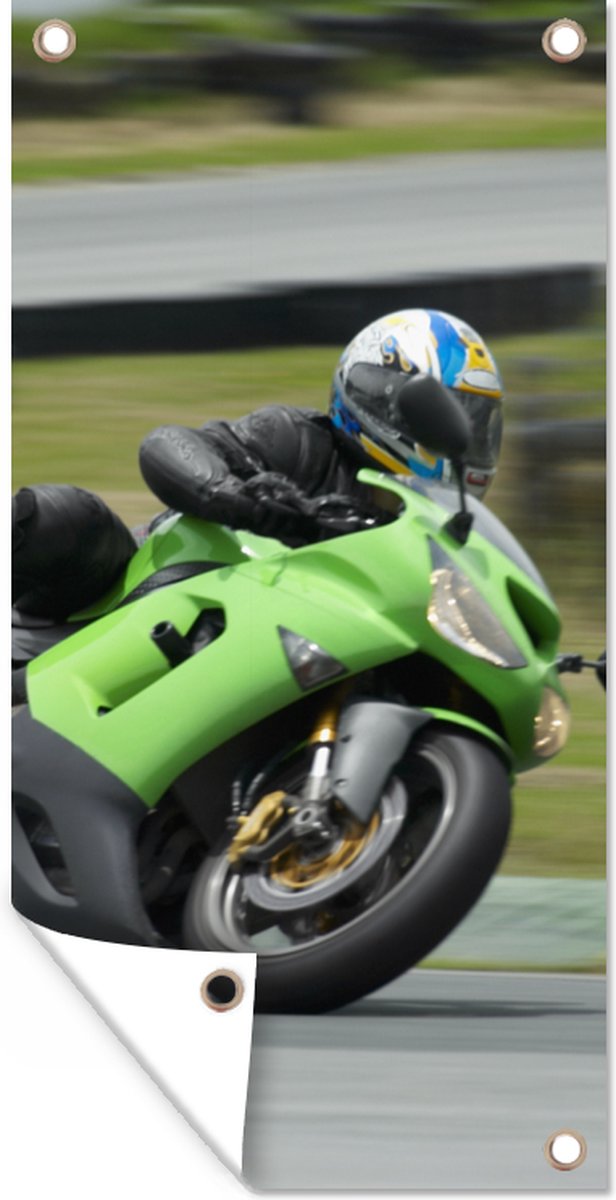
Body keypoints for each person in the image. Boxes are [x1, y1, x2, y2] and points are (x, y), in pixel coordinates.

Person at [12, 308, 504, 621]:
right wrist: (243, 501)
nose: (465, 440)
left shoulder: (441, 533)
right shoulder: (300, 441)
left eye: (477, 424)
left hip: (289, 663)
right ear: (387, 398)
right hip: (145, 603)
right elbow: (166, 444)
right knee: (63, 517)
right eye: (453, 417)